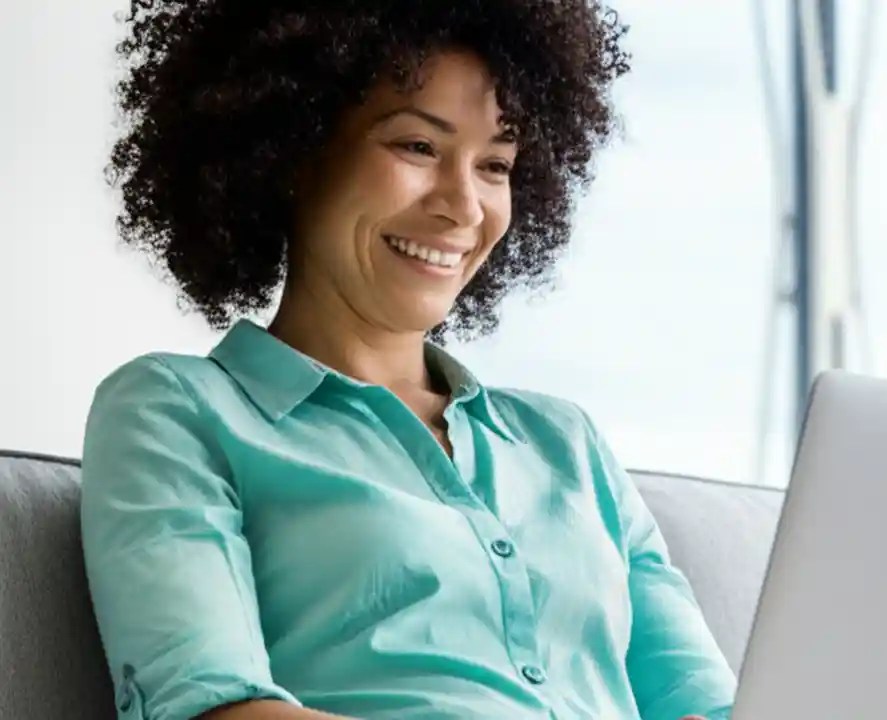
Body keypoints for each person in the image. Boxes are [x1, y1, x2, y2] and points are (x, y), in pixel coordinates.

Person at [80, 1, 735, 718]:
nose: (464, 205)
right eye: (418, 147)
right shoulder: (177, 412)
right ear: (294, 150)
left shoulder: (568, 445)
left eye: (494, 164)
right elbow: (211, 707)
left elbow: (718, 705)